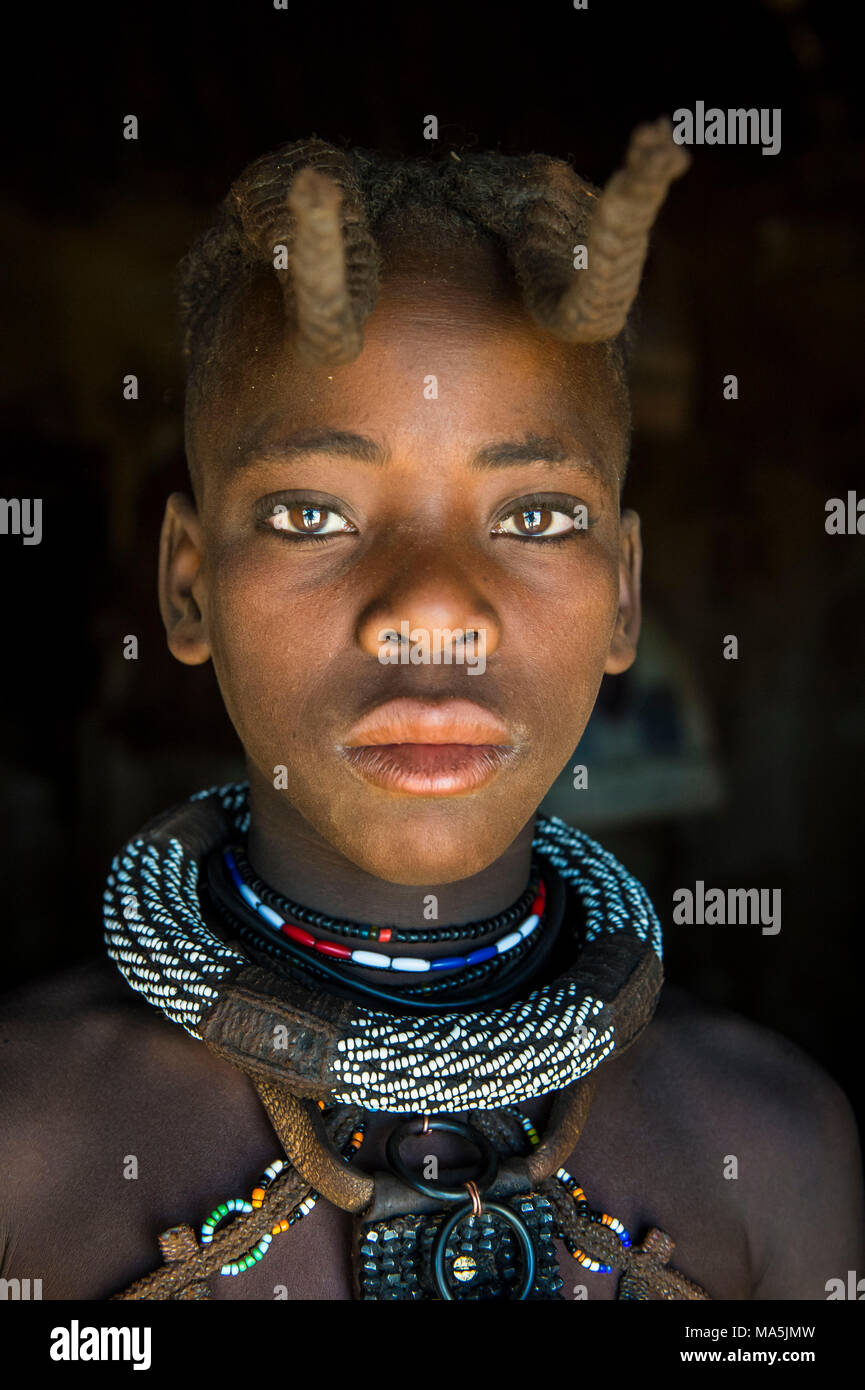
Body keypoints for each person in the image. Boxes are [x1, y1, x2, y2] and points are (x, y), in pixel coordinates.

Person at [1, 120, 862, 1302]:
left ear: (623, 596)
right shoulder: (23, 1147)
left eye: (535, 516)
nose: (434, 612)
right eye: (312, 513)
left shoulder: (776, 1153)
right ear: (188, 586)